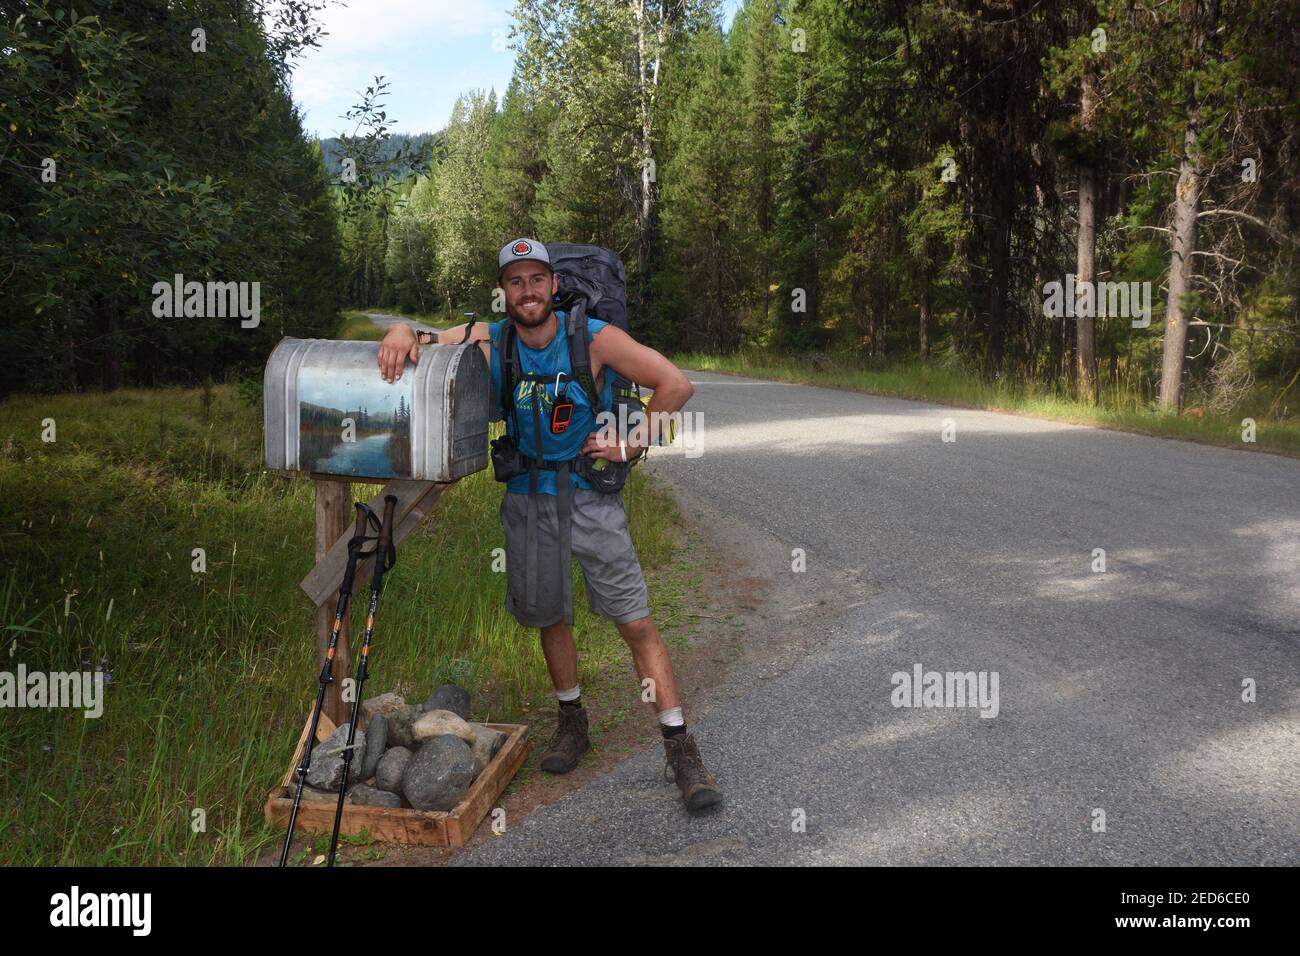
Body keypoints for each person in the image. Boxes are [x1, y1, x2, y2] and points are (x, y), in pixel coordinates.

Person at [377, 238, 723, 812]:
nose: (528, 290)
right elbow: (424, 341)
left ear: (553, 285)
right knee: (550, 614)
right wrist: (399, 333)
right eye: (516, 281)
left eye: (537, 279)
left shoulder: (592, 337)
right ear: (504, 291)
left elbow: (675, 384)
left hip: (589, 498)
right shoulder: (497, 337)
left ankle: (680, 746)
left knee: (635, 623)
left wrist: (630, 444)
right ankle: (573, 722)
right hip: (527, 498)